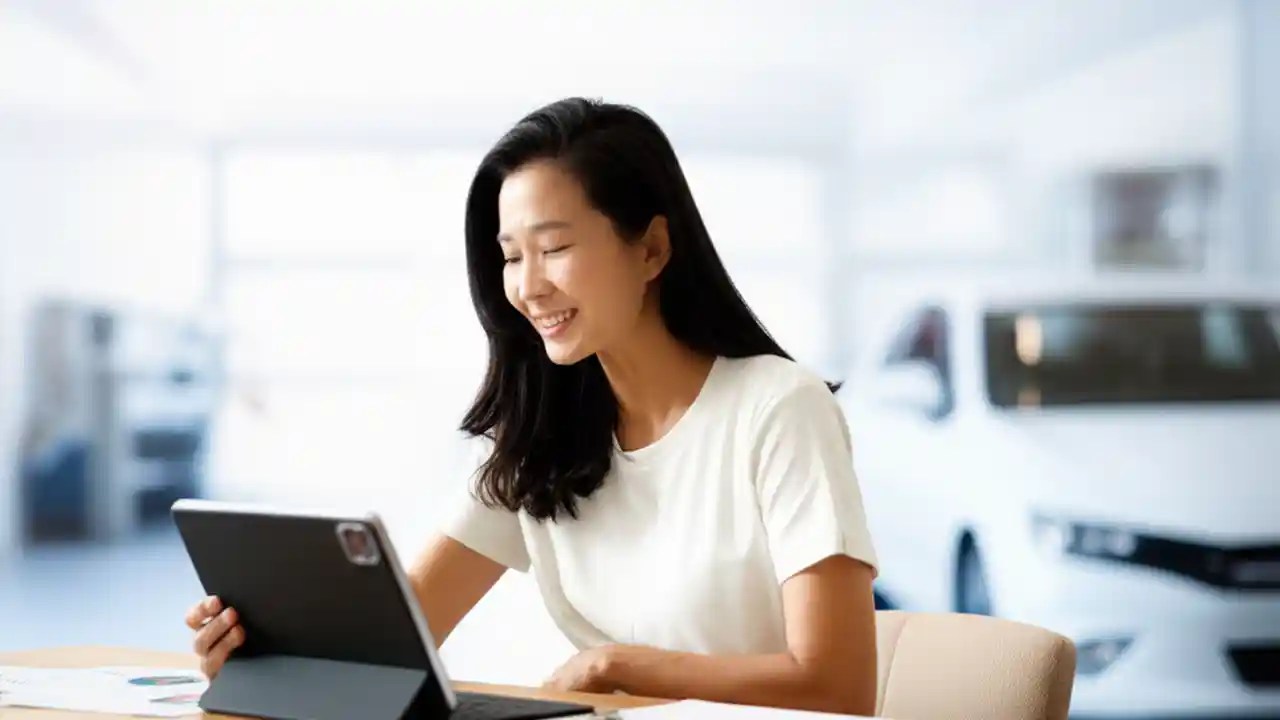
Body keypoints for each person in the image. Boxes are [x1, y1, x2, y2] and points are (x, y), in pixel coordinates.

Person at [185, 97, 879, 715]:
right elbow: (399, 635)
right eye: (512, 256)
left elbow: (838, 686)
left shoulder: (779, 409)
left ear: (652, 249)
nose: (528, 286)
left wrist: (617, 666)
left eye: (555, 248)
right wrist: (267, 659)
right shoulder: (544, 434)